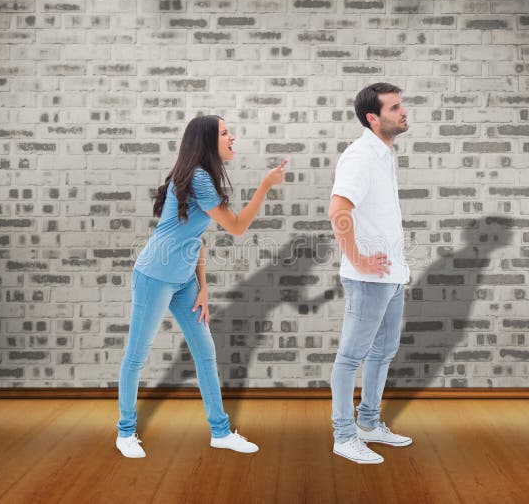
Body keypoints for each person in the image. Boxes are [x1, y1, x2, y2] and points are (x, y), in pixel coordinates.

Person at [116, 114, 287, 458]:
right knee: (137, 356)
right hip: (154, 277)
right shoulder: (198, 178)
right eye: (225, 133)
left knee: (206, 354)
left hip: (183, 282)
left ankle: (220, 432)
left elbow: (195, 239)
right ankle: (125, 433)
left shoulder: (200, 177)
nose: (232, 137)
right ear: (208, 141)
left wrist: (203, 288)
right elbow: (237, 227)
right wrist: (265, 186)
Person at [328, 82, 414, 464]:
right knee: (350, 358)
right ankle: (344, 436)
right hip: (368, 278)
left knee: (384, 352)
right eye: (395, 108)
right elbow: (338, 211)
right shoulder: (360, 155)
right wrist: (359, 260)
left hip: (392, 275)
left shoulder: (383, 152)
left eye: (401, 106)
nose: (403, 112)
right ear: (372, 118)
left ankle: (368, 423)